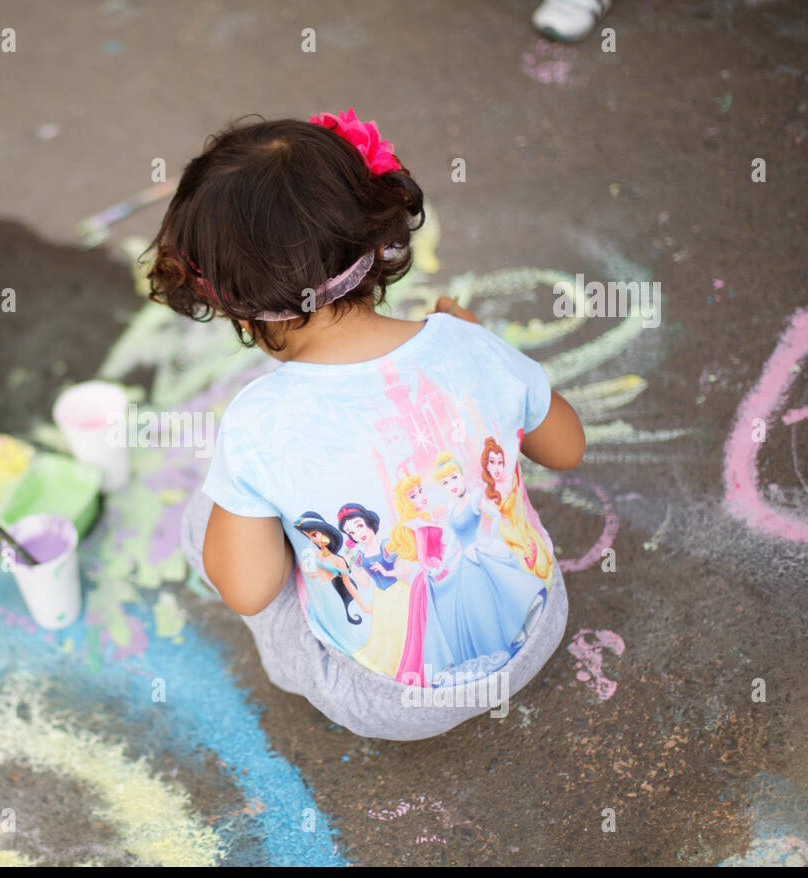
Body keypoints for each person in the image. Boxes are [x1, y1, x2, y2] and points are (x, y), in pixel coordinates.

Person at [149, 111, 586, 739]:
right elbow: (566, 447)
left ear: (238, 303)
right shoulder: (467, 347)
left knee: (207, 517)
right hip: (537, 630)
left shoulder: (259, 421)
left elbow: (247, 591)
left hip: (394, 705)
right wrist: (486, 349)